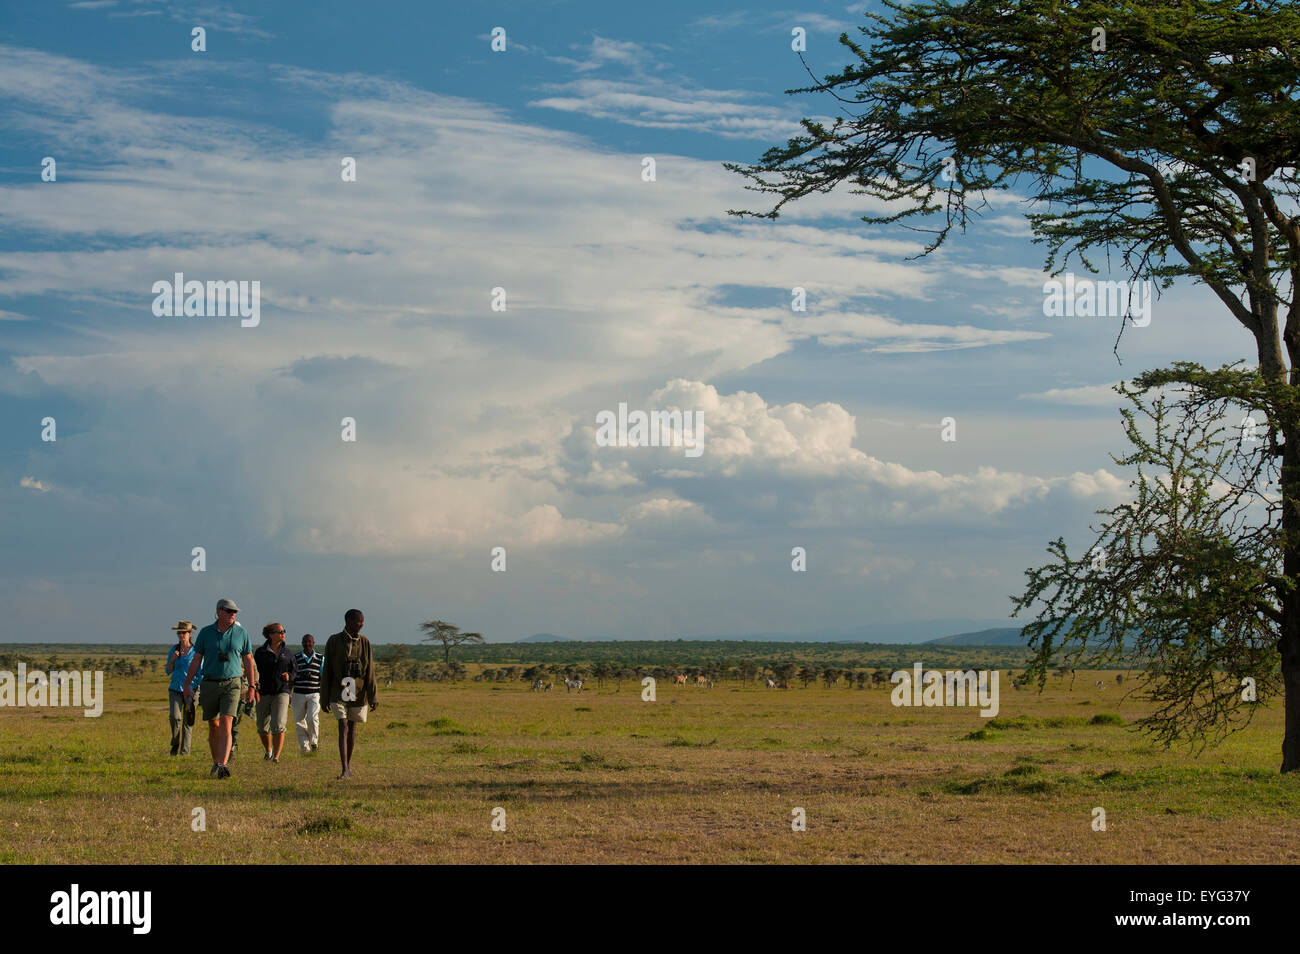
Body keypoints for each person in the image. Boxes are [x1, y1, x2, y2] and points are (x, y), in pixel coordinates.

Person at [183, 598, 255, 779]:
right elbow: (197, 659)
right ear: (218, 611)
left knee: (226, 721)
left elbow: (248, 659)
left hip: (233, 683)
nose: (233, 614)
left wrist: (252, 686)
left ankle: (223, 764)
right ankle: (216, 762)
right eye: (229, 611)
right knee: (213, 725)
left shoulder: (242, 633)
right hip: (210, 683)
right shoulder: (206, 633)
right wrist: (188, 685)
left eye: (235, 612)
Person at [320, 609, 377, 779]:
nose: (361, 625)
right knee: (343, 725)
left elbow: (370, 670)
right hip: (339, 688)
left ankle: (348, 766)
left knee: (352, 727)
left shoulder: (365, 642)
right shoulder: (334, 641)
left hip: (358, 690)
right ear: (348, 621)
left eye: (362, 622)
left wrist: (373, 696)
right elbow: (327, 670)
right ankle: (344, 768)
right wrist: (324, 697)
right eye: (358, 621)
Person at [254, 622, 294, 763]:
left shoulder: (288, 653)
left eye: (284, 631)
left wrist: (290, 676)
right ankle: (268, 750)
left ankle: (276, 756)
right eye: (280, 631)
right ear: (271, 635)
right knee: (262, 728)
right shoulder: (260, 653)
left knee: (278, 725)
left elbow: (294, 671)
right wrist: (254, 688)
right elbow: (254, 671)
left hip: (281, 691)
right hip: (263, 692)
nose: (283, 633)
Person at [164, 621, 202, 755]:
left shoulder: (196, 651)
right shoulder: (174, 649)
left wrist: (194, 688)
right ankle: (175, 743)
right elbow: (167, 670)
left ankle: (184, 752)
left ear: (190, 634)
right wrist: (173, 660)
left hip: (191, 690)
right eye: (179, 633)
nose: (181, 635)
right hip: (175, 688)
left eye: (184, 632)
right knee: (175, 717)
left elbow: (200, 672)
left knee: (188, 721)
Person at [291, 634, 324, 753]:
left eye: (309, 641)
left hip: (314, 693)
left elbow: (323, 676)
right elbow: (292, 677)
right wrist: (290, 693)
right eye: (305, 642)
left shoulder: (320, 658)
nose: (307, 644)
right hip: (298, 693)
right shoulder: (296, 658)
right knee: (299, 720)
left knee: (312, 717)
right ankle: (305, 747)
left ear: (313, 643)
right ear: (302, 643)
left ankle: (314, 741)